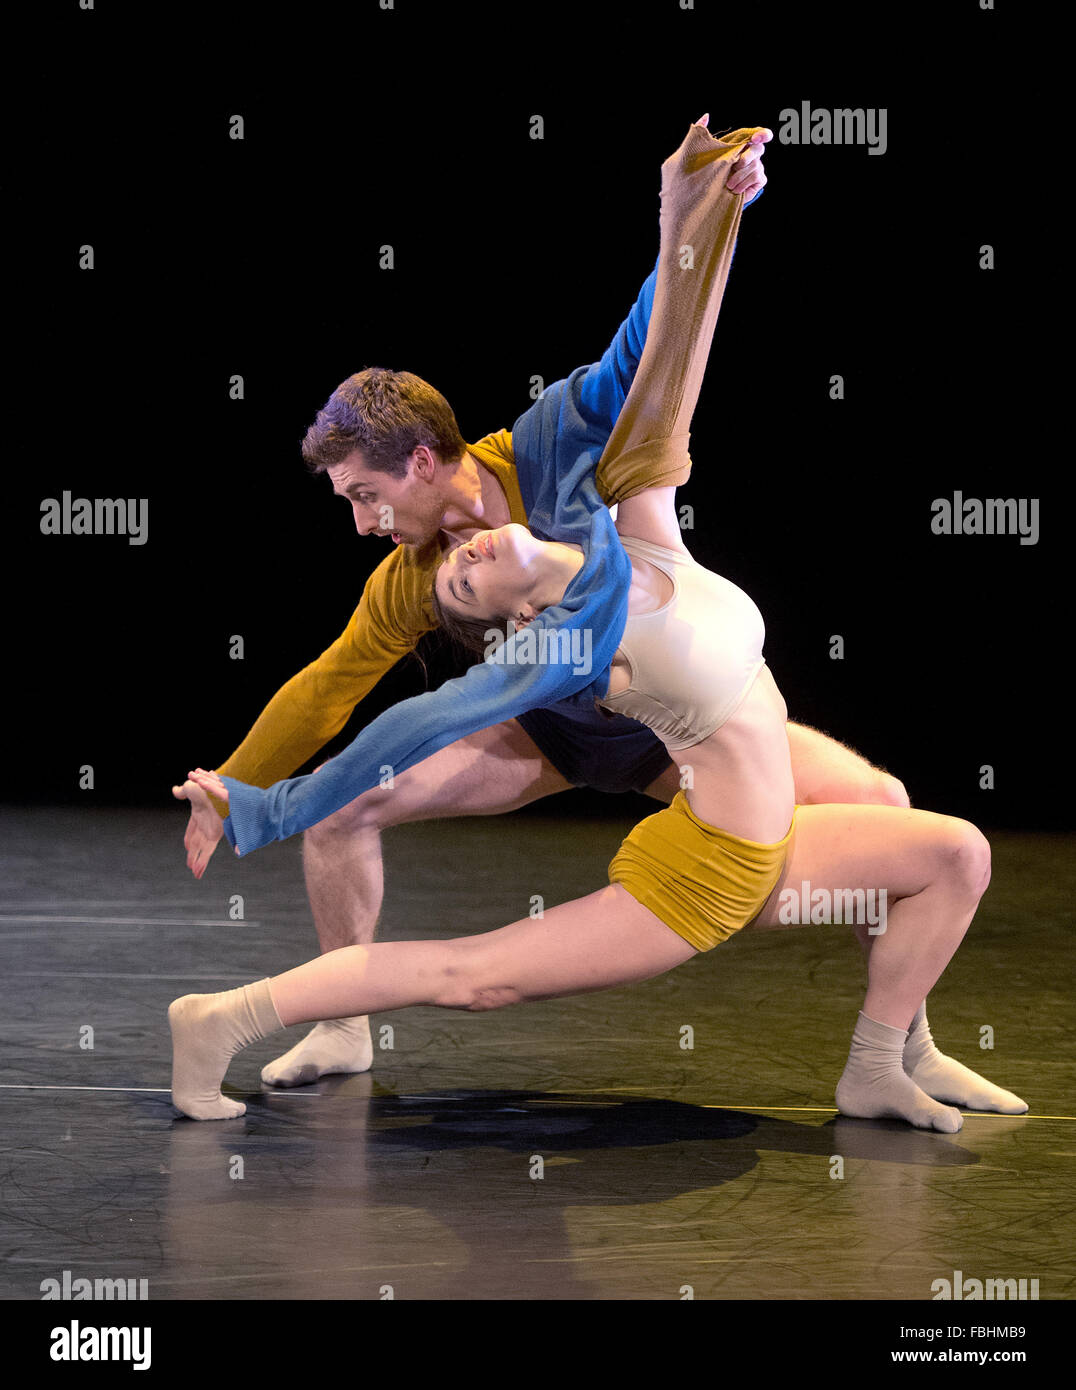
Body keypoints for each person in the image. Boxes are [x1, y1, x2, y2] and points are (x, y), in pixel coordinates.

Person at [170, 119, 1027, 1130]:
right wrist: (252, 796)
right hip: (556, 742)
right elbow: (360, 698)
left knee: (888, 806)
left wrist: (698, 215)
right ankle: (337, 1018)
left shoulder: (585, 482)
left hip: (677, 747)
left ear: (421, 462)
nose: (369, 528)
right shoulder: (492, 618)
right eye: (461, 585)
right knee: (377, 847)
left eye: (363, 495)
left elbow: (655, 358)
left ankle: (897, 1048)